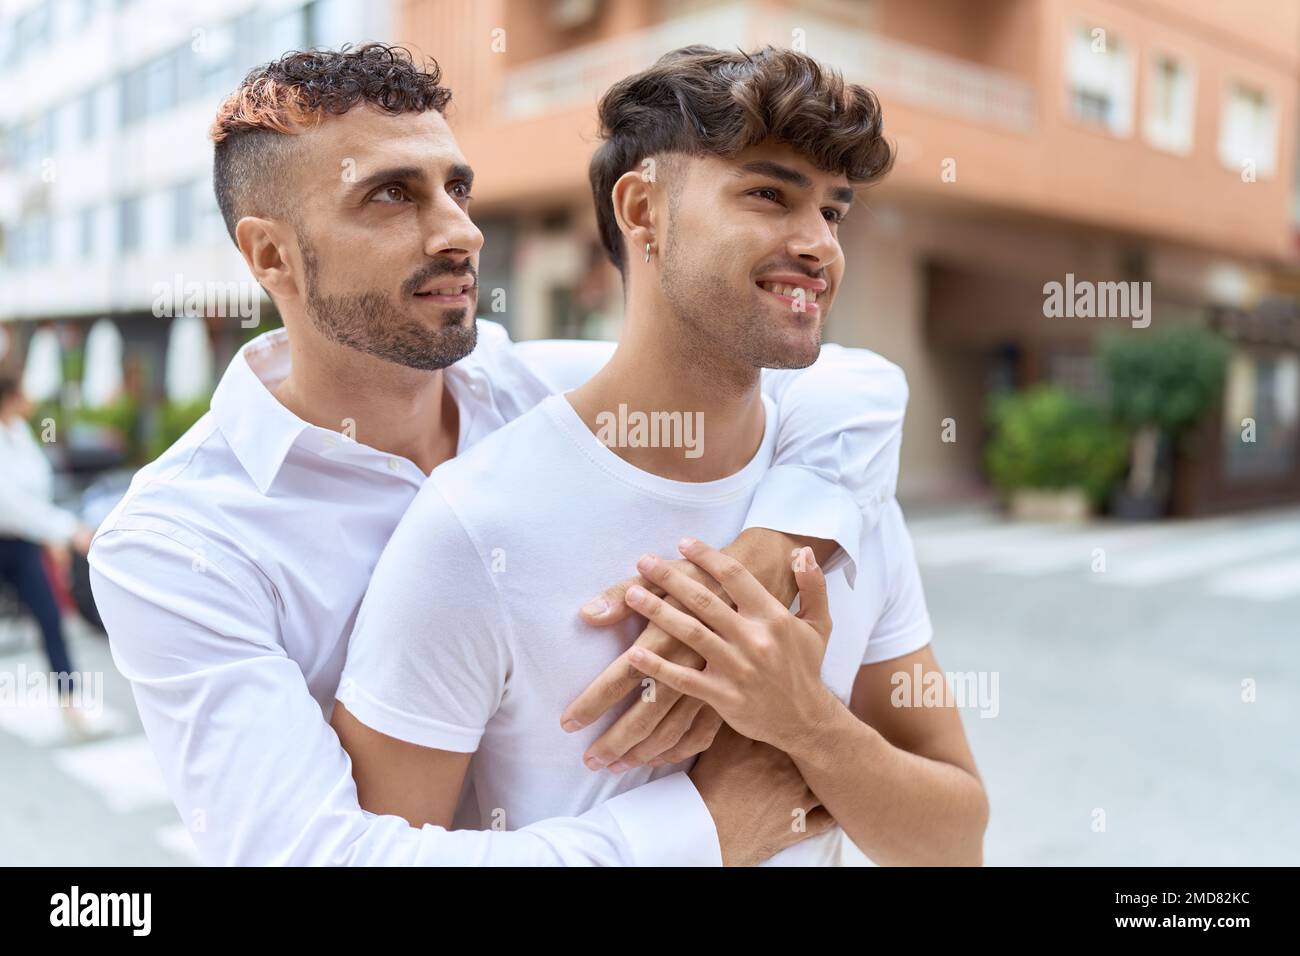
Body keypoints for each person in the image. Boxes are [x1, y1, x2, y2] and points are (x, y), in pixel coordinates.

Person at [87, 44, 907, 866]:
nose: (460, 231)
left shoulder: (533, 390)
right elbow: (310, 856)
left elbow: (853, 389)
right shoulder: (176, 544)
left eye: (457, 187)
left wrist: (770, 550)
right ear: (271, 256)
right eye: (391, 196)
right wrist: (704, 830)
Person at [332, 45, 989, 866]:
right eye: (769, 196)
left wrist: (807, 724)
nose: (819, 245)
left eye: (833, 212)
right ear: (642, 211)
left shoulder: (839, 505)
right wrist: (703, 830)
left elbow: (955, 843)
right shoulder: (472, 529)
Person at [0, 371, 100, 738]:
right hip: (12, 534)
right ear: (10, 395)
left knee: (49, 618)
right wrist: (65, 530)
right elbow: (9, 503)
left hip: (23, 542)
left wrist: (50, 535)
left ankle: (72, 703)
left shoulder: (20, 432)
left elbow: (33, 494)